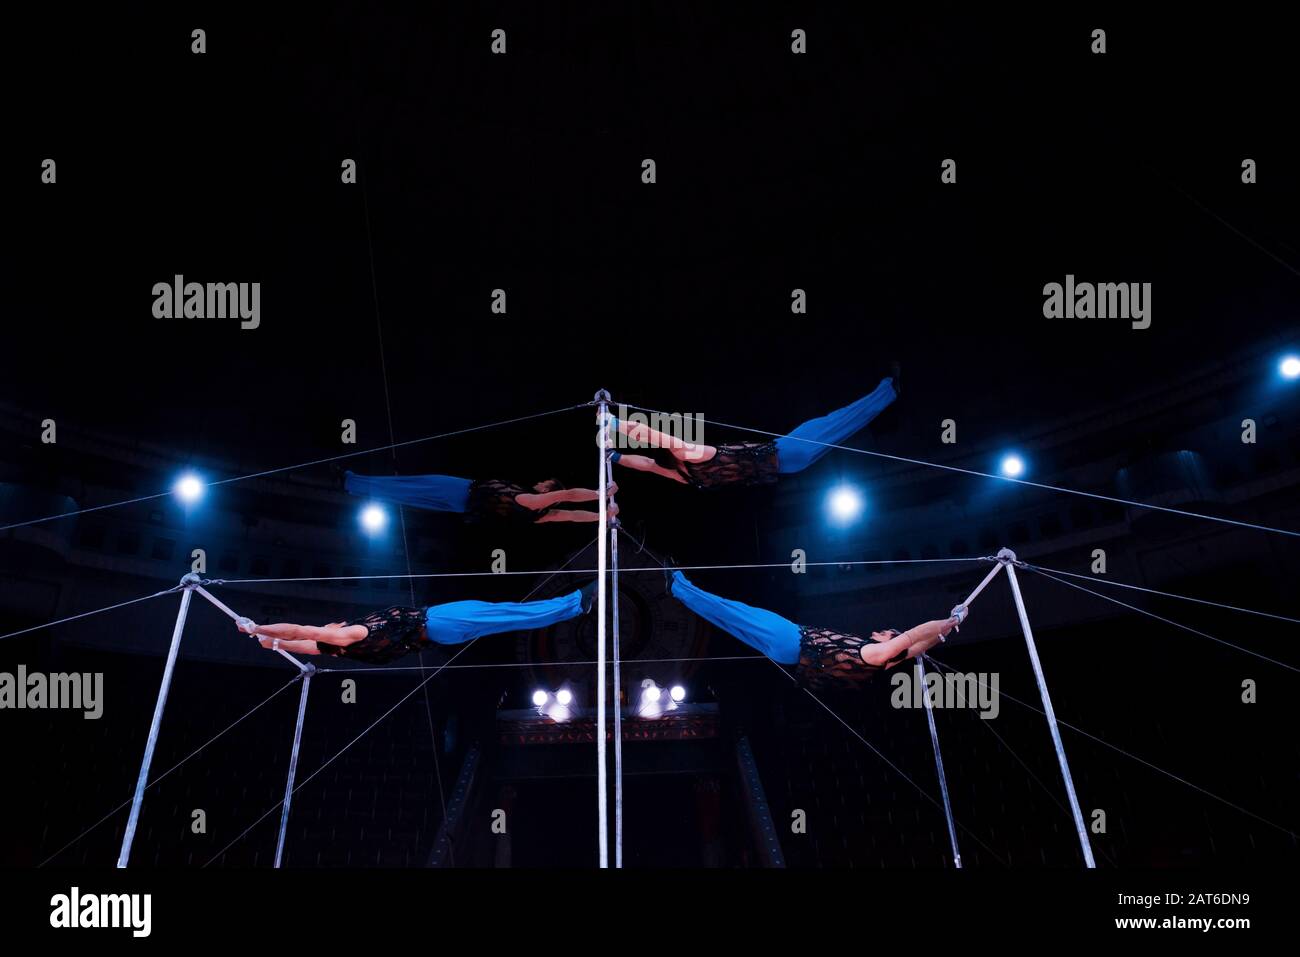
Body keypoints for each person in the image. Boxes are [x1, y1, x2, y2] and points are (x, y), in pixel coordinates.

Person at [666, 569, 963, 692]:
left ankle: (679, 586)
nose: (880, 630)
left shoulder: (876, 653)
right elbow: (915, 648)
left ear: (890, 640)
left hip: (791, 639)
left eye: (887, 632)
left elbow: (910, 637)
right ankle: (681, 590)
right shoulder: (884, 662)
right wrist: (942, 634)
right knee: (731, 621)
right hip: (786, 654)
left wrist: (947, 622)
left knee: (732, 611)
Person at [609, 376, 897, 489]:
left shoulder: (683, 475)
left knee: (840, 430)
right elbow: (651, 434)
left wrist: (615, 457)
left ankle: (886, 393)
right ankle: (888, 389)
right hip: (786, 452)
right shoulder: (690, 454)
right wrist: (614, 425)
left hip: (788, 466)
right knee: (838, 422)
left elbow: (647, 465)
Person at [238, 582, 597, 664]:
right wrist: (258, 628)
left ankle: (574, 607)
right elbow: (304, 631)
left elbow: (306, 643)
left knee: (508, 618)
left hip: (441, 632)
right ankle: (576, 603)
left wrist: (276, 644)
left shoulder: (339, 646)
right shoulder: (351, 633)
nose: (331, 622)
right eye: (329, 625)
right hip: (438, 621)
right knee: (509, 614)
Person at [341, 470, 616, 525]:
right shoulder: (543, 516)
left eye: (544, 482)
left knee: (411, 486)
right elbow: (572, 516)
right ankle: (355, 485)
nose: (539, 481)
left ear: (548, 490)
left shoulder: (533, 502)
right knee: (407, 493)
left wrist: (599, 494)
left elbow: (568, 496)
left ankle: (353, 481)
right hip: (460, 505)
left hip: (460, 491)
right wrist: (602, 516)